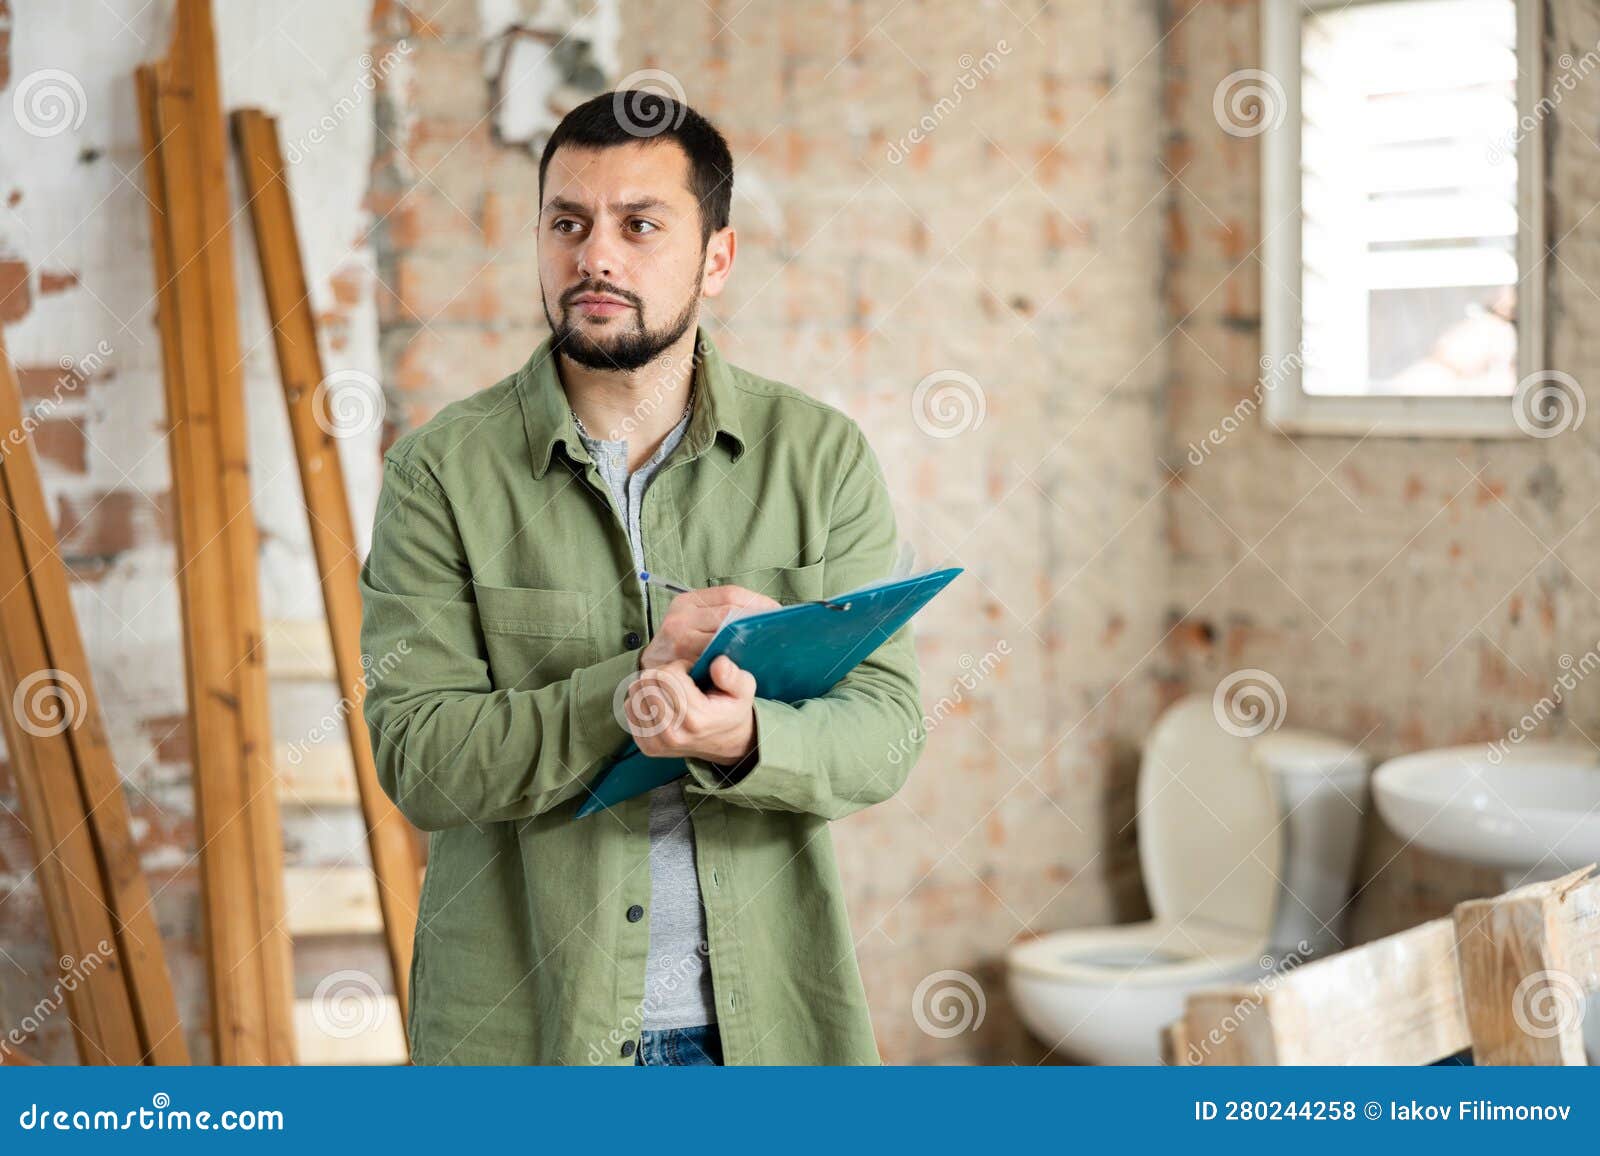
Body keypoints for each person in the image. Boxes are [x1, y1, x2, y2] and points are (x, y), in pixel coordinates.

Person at [359, 90, 924, 1065]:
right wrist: (630, 691)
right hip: (529, 1037)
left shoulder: (819, 458)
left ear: (717, 259)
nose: (596, 257)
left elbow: (886, 730)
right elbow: (420, 760)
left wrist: (742, 737)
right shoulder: (439, 473)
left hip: (764, 1035)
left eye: (639, 225)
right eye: (567, 224)